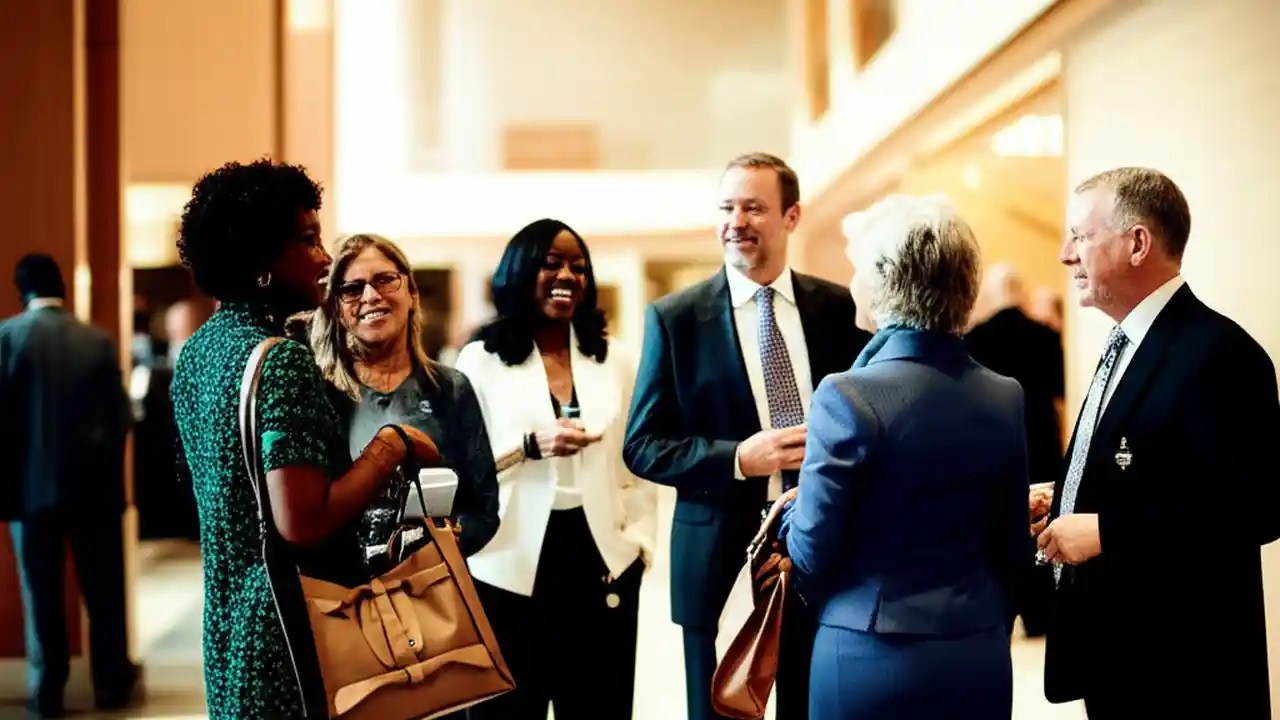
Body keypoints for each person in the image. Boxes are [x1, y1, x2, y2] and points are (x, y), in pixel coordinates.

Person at [171, 159, 437, 719]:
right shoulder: (282, 359)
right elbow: (302, 519)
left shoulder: (199, 352)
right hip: (287, 625)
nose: (324, 259)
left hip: (226, 618)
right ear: (263, 258)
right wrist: (391, 447)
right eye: (309, 240)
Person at [624, 153, 869, 720]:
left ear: (791, 216)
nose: (737, 220)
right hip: (714, 558)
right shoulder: (676, 318)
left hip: (819, 544)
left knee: (812, 705)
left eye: (754, 207)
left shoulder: (839, 310)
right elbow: (642, 443)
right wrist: (738, 458)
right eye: (727, 207)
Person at [1037, 167, 1280, 718]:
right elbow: (1160, 470)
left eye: (1080, 235)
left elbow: (1259, 506)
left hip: (1186, 674)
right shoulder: (1128, 343)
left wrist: (1106, 529)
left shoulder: (1220, 355)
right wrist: (1066, 496)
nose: (1065, 254)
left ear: (1138, 243)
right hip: (1120, 660)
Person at [778, 194, 1028, 719]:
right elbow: (1010, 549)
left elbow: (811, 555)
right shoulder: (1004, 394)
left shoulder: (845, 395)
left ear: (885, 281)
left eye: (857, 270)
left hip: (867, 652)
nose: (850, 284)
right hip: (976, 650)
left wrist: (787, 521)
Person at [455, 219, 656, 720]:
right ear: (521, 272)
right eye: (551, 263)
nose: (567, 274)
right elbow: (462, 464)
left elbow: (636, 461)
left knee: (599, 709)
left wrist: (639, 544)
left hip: (601, 562)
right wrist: (528, 446)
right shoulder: (481, 361)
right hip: (506, 566)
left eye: (578, 266)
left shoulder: (615, 359)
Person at [309, 233, 499, 564]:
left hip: (433, 590)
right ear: (338, 310)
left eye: (385, 280)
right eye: (352, 289)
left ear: (411, 294)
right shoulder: (320, 394)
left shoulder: (451, 388)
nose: (370, 296)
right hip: (347, 597)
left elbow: (483, 510)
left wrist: (443, 543)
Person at [0, 254, 135, 717]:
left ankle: (48, 689)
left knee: (41, 594)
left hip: (29, 493)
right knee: (103, 591)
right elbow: (119, 419)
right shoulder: (95, 340)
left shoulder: (8, 338)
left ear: (22, 291)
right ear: (62, 285)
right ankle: (111, 682)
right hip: (93, 494)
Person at [965, 262, 1064, 637]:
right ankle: (1041, 611)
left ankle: (1007, 608)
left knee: (1004, 526)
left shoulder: (975, 338)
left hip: (994, 445)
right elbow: (1058, 388)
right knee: (1044, 523)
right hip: (1039, 439)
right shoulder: (1043, 334)